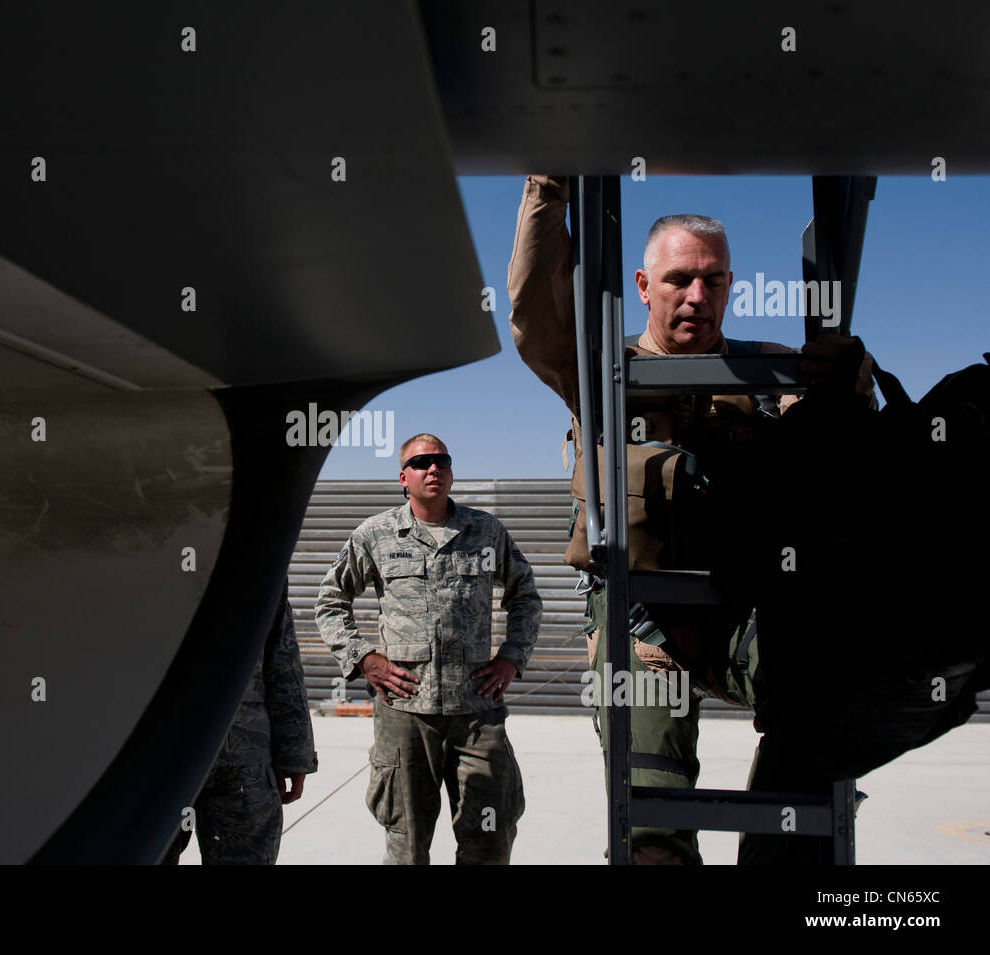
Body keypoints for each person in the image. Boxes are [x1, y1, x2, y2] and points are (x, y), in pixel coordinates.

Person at [507, 175, 873, 864]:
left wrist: (853, 392)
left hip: (749, 609)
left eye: (714, 281)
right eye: (679, 279)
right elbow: (534, 316)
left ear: (732, 283)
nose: (697, 298)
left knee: (829, 701)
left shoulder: (774, 374)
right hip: (640, 618)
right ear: (644, 285)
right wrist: (548, 193)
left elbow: (853, 469)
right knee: (652, 831)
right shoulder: (602, 370)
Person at [315, 434, 542, 865]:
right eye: (421, 462)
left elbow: (525, 596)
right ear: (404, 477)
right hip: (405, 713)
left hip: (476, 709)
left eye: (441, 460)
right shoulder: (376, 534)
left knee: (490, 835)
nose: (432, 468)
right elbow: (330, 601)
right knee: (407, 840)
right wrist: (364, 658)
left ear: (451, 471)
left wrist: (512, 656)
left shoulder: (485, 531)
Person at [163, 584, 317, 865]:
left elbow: (280, 656)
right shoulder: (253, 549)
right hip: (174, 758)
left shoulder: (257, 554)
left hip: (237, 758)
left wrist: (295, 752)